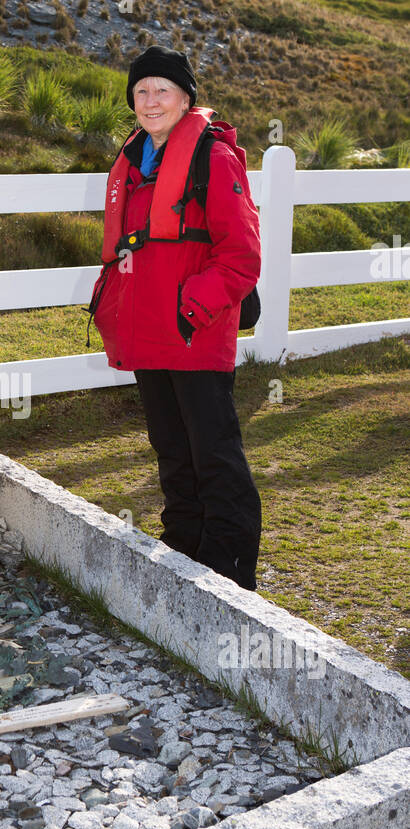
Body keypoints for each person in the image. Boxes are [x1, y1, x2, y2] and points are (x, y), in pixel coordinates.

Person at [92, 45, 262, 590]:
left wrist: (191, 311)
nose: (150, 100)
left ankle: (229, 573)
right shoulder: (135, 163)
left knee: (213, 455)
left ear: (186, 98)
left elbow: (242, 257)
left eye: (162, 89)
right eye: (141, 91)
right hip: (148, 334)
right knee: (171, 451)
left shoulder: (213, 159)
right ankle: (185, 552)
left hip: (194, 333)